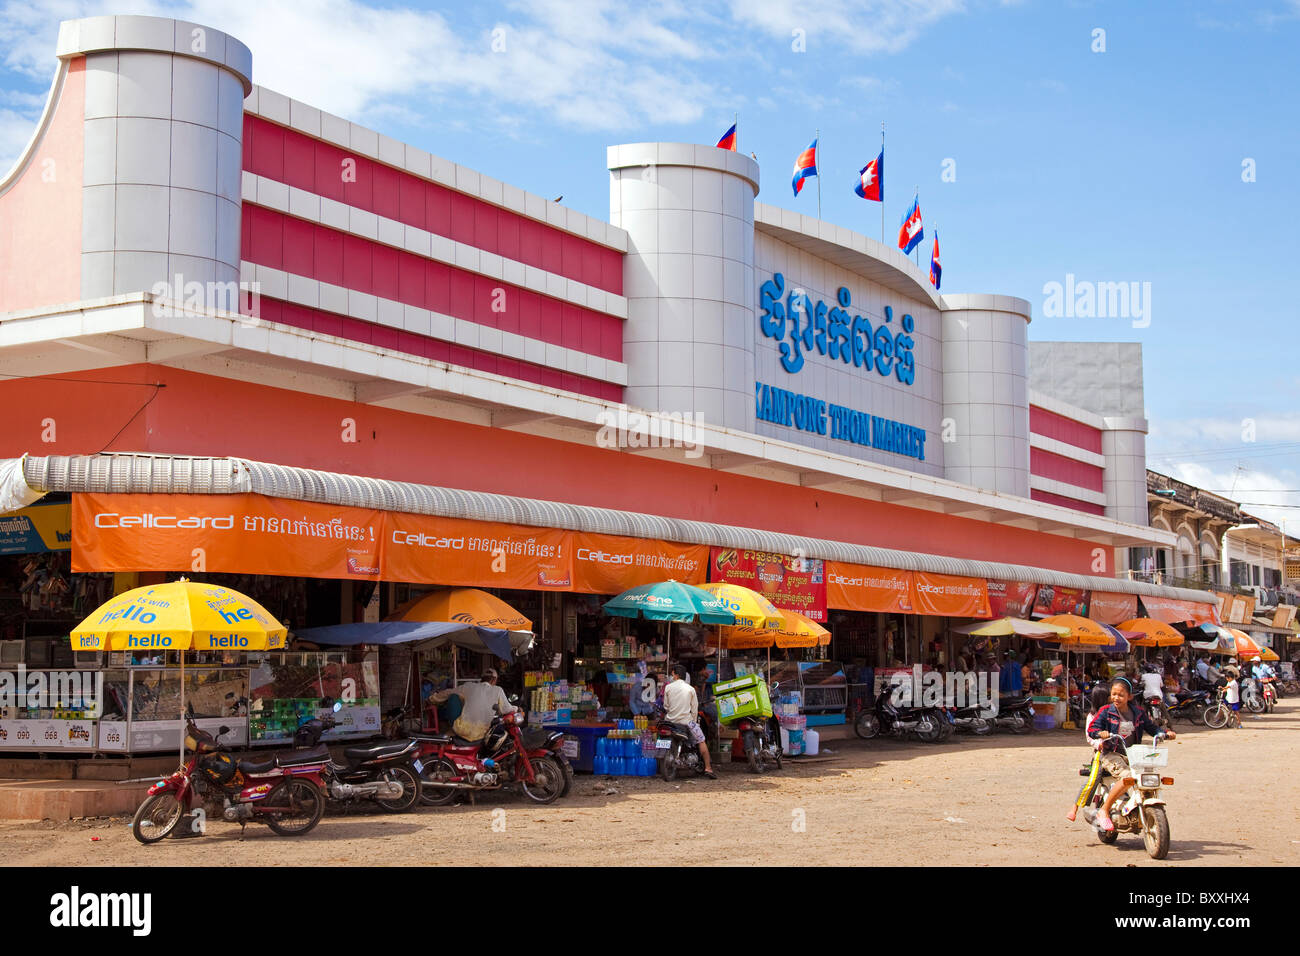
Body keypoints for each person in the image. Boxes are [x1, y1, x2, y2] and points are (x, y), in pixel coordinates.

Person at [1083, 677, 1175, 830]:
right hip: (1111, 754)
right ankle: (1104, 811)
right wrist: (1101, 733)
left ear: (1129, 696)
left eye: (1120, 695)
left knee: (1144, 777)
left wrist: (1164, 733)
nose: (1116, 698)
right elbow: (1092, 730)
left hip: (1134, 754)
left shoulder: (1138, 712)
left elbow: (1152, 728)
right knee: (1128, 777)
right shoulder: (1105, 711)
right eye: (1113, 694)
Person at [663, 663, 716, 778]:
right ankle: (708, 768)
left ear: (674, 674)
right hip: (686, 721)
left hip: (670, 721)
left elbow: (666, 706)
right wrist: (695, 722)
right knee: (701, 741)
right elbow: (694, 709)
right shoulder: (690, 689)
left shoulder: (668, 687)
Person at [452, 668, 518, 742]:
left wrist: (436, 697)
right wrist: (516, 708)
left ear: (482, 678)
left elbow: (448, 692)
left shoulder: (469, 686)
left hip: (460, 730)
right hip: (480, 734)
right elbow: (506, 709)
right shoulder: (497, 690)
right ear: (494, 680)